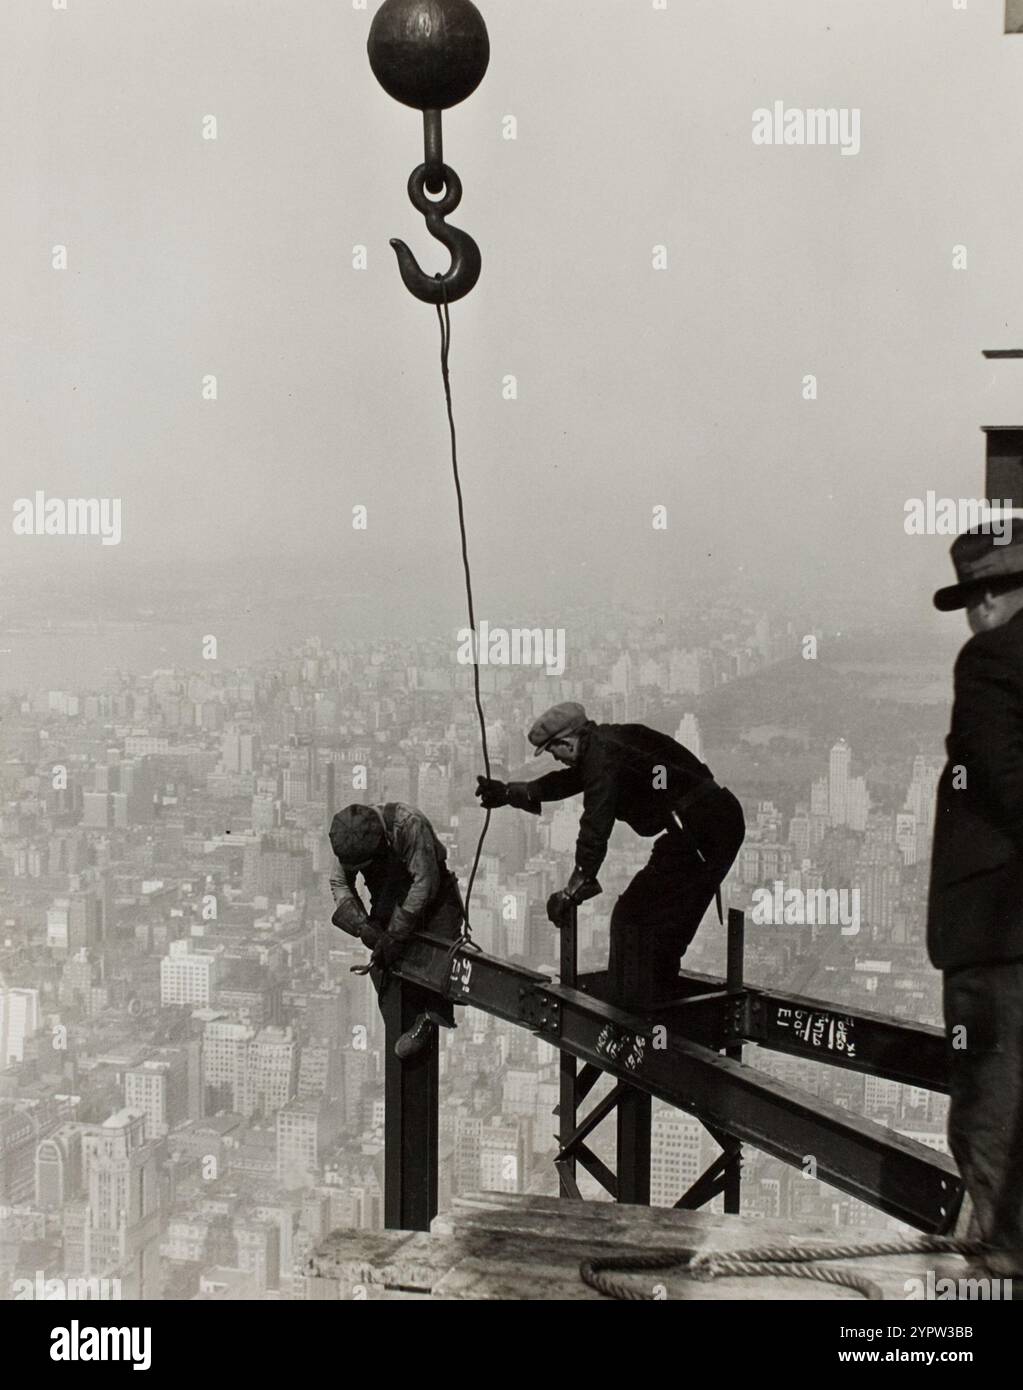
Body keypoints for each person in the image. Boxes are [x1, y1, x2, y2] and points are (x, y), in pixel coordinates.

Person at [476, 701, 745, 1009]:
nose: (558, 760)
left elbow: (595, 824)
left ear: (567, 741)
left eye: (555, 752)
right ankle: (654, 1006)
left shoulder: (602, 758)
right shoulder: (605, 745)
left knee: (635, 918)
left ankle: (638, 1014)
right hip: (706, 826)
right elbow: (567, 782)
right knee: (651, 924)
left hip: (704, 831)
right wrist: (508, 793)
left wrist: (573, 890)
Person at [929, 521, 1023, 1287]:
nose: (971, 616)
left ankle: (994, 1252)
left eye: (974, 598)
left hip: (994, 928)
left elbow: (1002, 779)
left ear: (991, 595)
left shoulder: (990, 656)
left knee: (988, 1085)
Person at [328, 802, 463, 1059]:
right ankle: (405, 1020)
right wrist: (362, 926)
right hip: (389, 897)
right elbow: (340, 881)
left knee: (437, 965)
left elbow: (425, 884)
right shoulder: (349, 835)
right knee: (385, 963)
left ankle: (430, 1018)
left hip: (435, 902)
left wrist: (395, 934)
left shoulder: (409, 825)